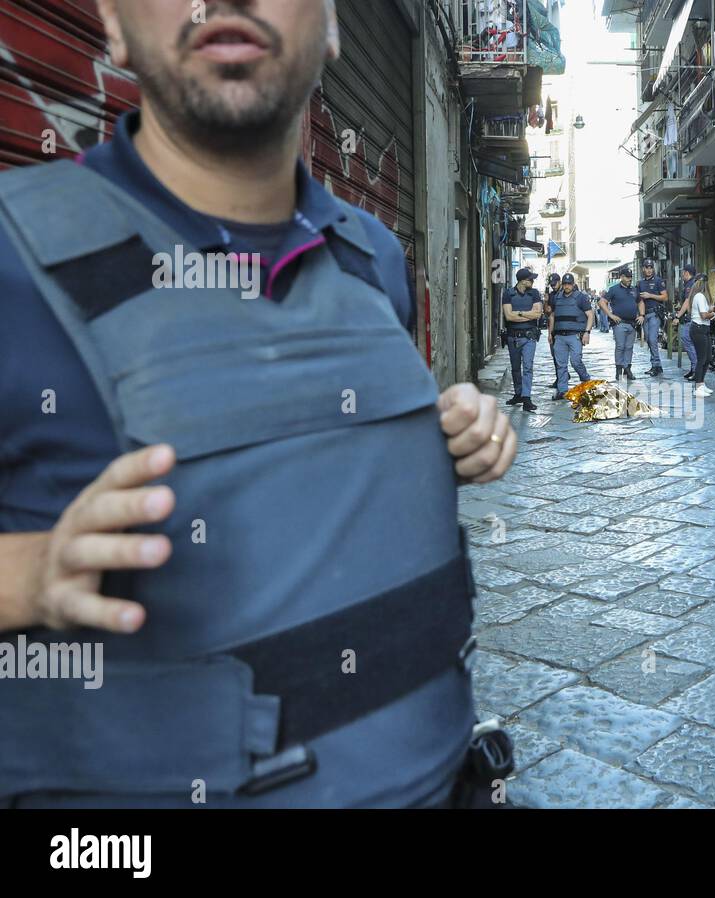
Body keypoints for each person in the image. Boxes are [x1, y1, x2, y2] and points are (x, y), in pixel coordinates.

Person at [0, 0, 518, 809]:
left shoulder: (375, 257)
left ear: (333, 27)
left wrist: (442, 435)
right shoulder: (11, 258)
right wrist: (29, 575)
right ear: (113, 25)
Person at [502, 268, 543, 411]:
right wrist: (528, 314)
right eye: (530, 279)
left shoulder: (534, 293)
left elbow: (537, 314)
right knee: (515, 368)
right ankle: (518, 394)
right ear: (523, 281)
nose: (533, 281)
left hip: (529, 336)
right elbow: (508, 316)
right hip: (513, 337)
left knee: (527, 367)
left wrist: (518, 313)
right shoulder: (508, 293)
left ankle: (526, 397)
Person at [549, 273, 593, 399]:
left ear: (573, 285)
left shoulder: (581, 298)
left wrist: (587, 332)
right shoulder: (557, 297)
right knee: (561, 364)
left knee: (575, 361)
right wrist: (550, 333)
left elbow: (590, 315)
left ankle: (585, 379)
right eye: (565, 284)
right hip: (559, 336)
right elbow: (552, 316)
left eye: (569, 284)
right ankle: (562, 390)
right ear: (562, 285)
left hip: (575, 335)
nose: (567, 286)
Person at [599, 267, 643, 382]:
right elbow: (602, 302)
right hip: (619, 323)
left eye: (630, 277)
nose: (629, 279)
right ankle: (619, 370)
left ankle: (627, 369)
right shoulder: (614, 289)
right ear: (621, 277)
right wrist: (610, 315)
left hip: (632, 323)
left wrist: (642, 315)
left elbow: (640, 302)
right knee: (620, 346)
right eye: (627, 277)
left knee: (629, 347)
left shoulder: (634, 290)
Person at [636, 259, 668, 377]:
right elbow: (638, 300)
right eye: (647, 267)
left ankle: (656, 365)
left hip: (655, 314)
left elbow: (665, 297)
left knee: (652, 339)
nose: (649, 270)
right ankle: (656, 366)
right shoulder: (640, 283)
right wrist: (640, 314)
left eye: (651, 267)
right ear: (643, 269)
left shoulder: (658, 281)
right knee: (649, 340)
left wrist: (650, 295)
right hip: (645, 315)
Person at [688, 275, 715, 397]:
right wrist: (713, 314)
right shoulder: (700, 296)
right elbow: (704, 315)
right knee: (702, 359)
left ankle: (701, 384)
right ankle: (698, 386)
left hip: (703, 329)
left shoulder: (699, 296)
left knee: (708, 357)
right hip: (699, 328)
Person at [674, 263, 701, 379]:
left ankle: (696, 370)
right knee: (690, 344)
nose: (682, 275)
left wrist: (678, 316)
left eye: (683, 273)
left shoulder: (691, 284)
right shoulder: (692, 283)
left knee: (688, 343)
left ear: (686, 273)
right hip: (692, 318)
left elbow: (687, 301)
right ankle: (694, 368)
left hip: (689, 319)